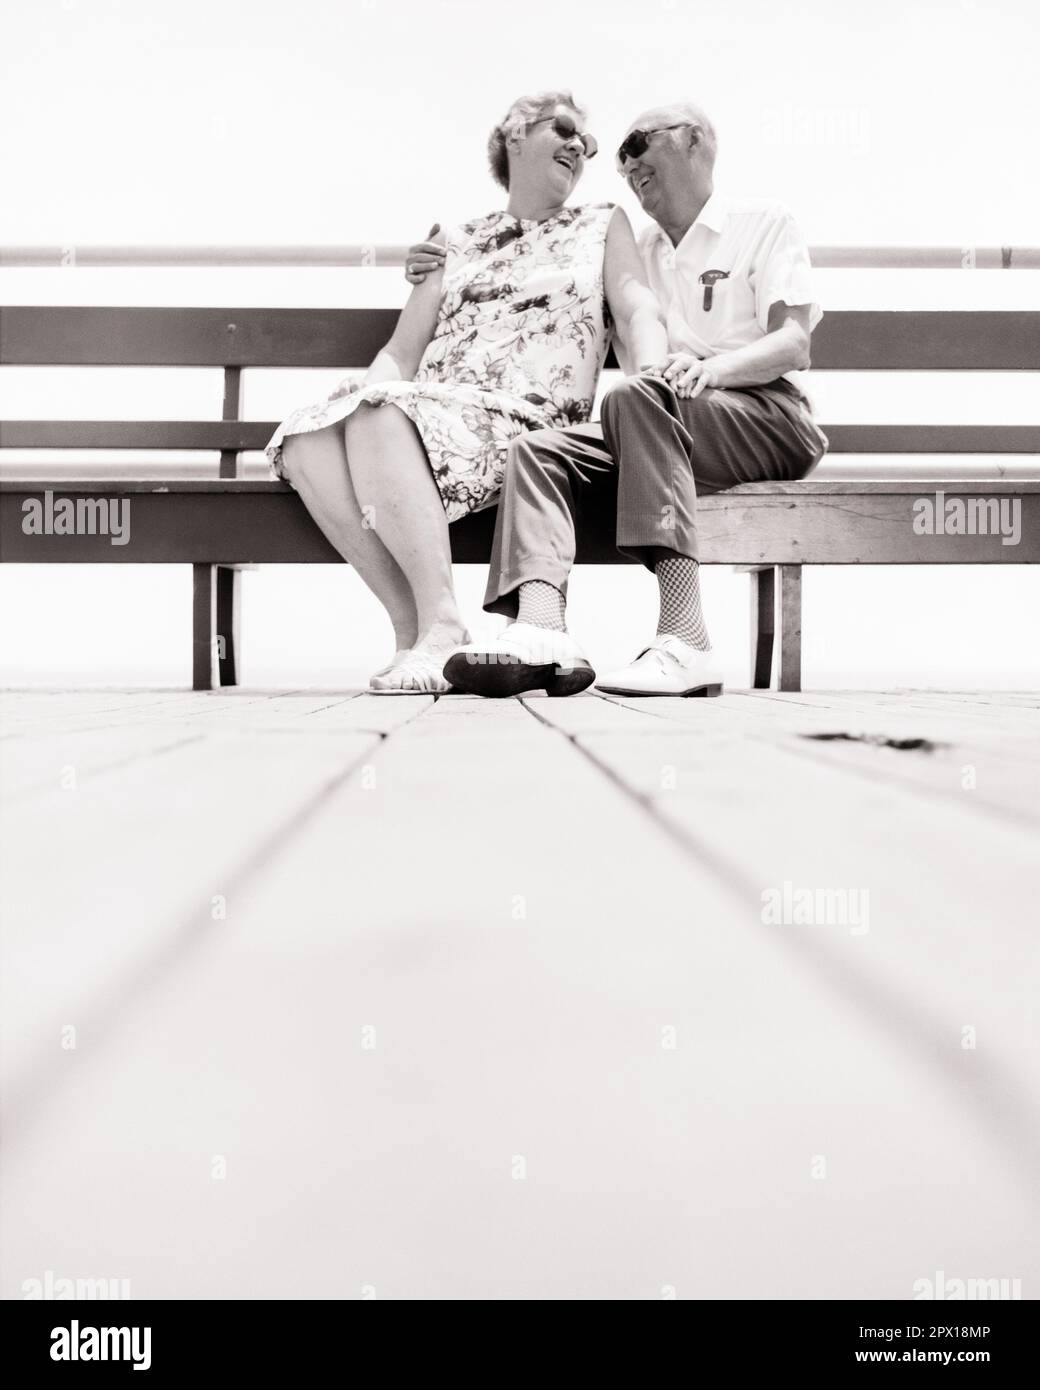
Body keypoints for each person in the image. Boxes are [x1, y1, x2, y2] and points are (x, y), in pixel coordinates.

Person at [407, 102, 829, 698]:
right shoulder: (637, 248)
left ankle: (686, 641)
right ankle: (540, 629)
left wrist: (709, 373)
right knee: (537, 450)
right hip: (662, 429)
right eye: (620, 160)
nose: (625, 163)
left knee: (638, 396)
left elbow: (794, 345)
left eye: (635, 144)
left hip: (764, 417)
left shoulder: (762, 222)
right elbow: (543, 279)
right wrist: (441, 261)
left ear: (694, 141)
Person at [264, 90, 666, 693]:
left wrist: (651, 374)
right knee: (305, 438)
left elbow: (636, 307)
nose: (579, 146)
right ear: (513, 135)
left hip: (529, 427)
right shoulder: (455, 241)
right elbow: (399, 355)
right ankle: (417, 631)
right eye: (564, 129)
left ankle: (443, 624)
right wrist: (365, 391)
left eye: (587, 143)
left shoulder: (600, 223)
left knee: (379, 413)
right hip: (433, 414)